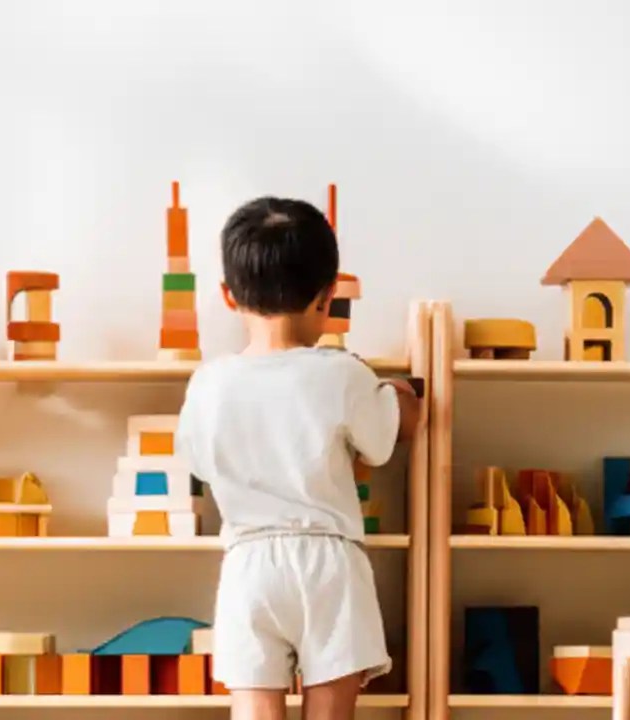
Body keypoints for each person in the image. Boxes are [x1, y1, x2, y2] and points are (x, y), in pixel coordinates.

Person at [176, 196, 421, 720]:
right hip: (328, 561)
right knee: (331, 703)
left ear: (227, 296)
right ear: (328, 297)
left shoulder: (209, 383)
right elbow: (385, 440)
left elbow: (195, 462)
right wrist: (400, 392)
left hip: (248, 561)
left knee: (255, 705)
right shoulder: (342, 372)